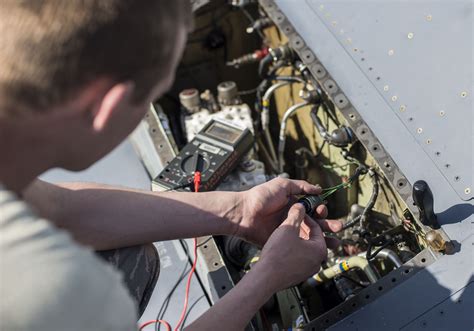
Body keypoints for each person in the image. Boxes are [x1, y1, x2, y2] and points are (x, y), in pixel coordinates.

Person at [0, 1, 341, 330]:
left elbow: (58, 208)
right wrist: (267, 277)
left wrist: (240, 211)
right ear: (109, 107)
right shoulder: (50, 295)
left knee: (132, 257)